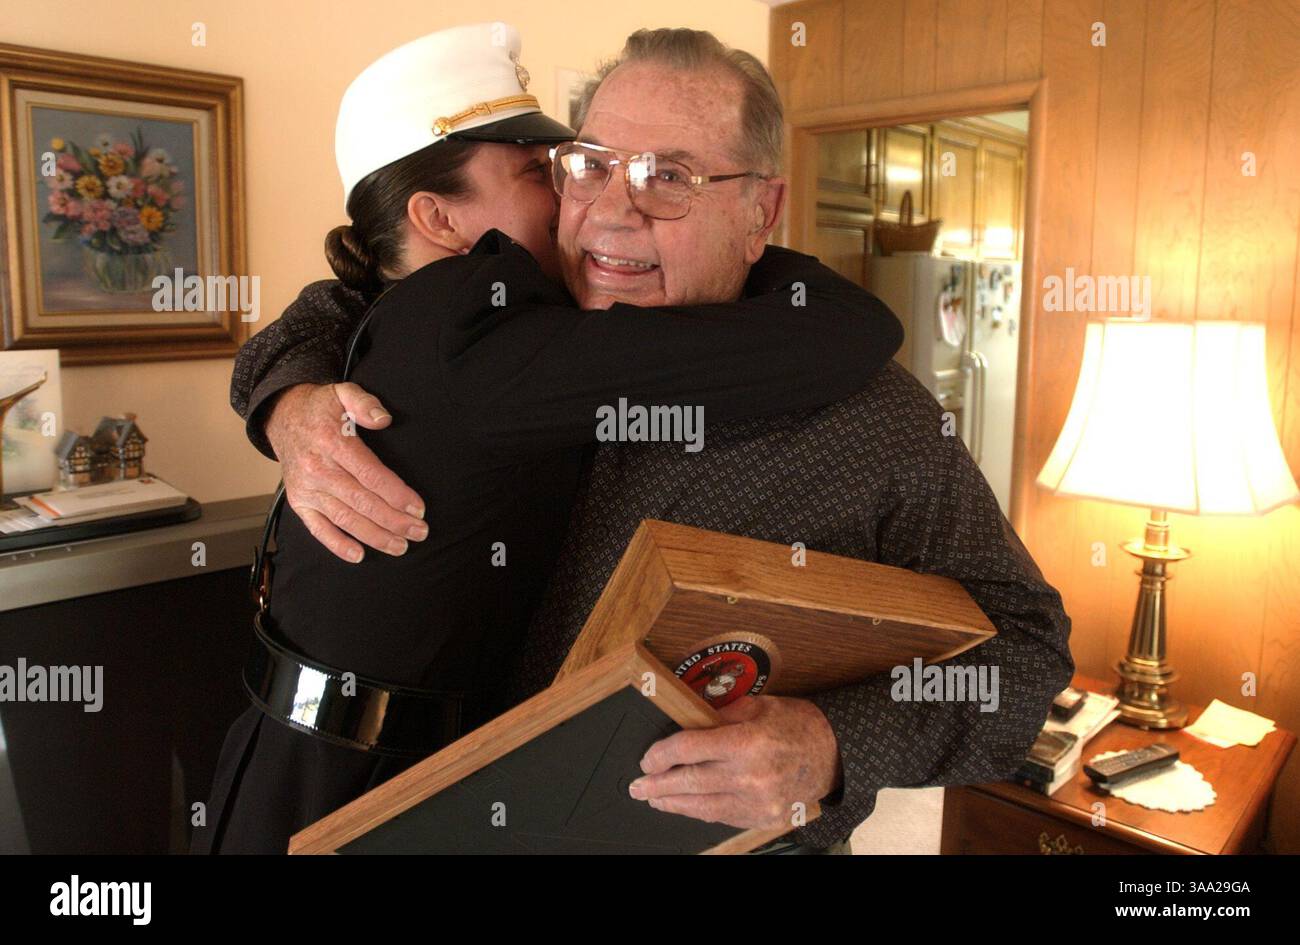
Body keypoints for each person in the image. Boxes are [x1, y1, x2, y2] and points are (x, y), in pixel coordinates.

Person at [229, 27, 1073, 855]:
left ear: (761, 212)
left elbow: (1026, 650)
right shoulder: (522, 313)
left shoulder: (876, 420)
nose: (610, 212)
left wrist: (831, 740)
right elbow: (357, 293)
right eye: (589, 166)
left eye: (670, 176)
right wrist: (286, 398)